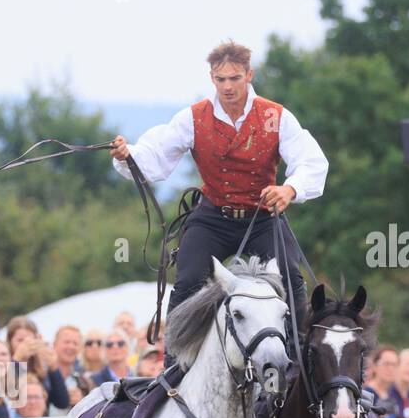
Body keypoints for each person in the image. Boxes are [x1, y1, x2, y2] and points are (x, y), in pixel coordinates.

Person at [111, 40, 327, 317]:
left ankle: (299, 346)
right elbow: (156, 157)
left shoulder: (276, 116)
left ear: (249, 75)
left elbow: (310, 160)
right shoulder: (192, 117)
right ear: (211, 78)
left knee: (291, 279)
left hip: (262, 218)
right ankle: (173, 346)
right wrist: (127, 155)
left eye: (235, 78)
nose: (227, 86)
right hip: (213, 218)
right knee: (187, 282)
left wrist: (290, 189)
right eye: (220, 79)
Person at [3, 317, 70, 409]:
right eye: (20, 340)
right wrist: (17, 359)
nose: (26, 344)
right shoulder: (3, 363)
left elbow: (62, 402)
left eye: (30, 340)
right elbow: (6, 394)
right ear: (10, 342)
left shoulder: (42, 367)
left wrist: (54, 368)